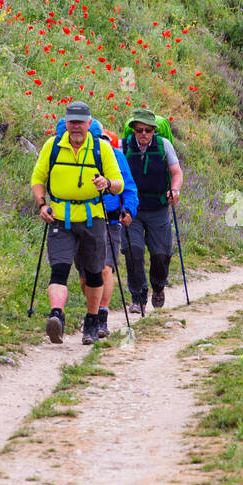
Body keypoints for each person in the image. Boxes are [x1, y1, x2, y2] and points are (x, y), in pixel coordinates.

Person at [30, 100, 125, 345]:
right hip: (60, 218)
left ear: (89, 123)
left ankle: (92, 322)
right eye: (71, 122)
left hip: (93, 219)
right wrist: (42, 204)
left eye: (80, 123)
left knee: (94, 274)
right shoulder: (52, 146)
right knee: (59, 270)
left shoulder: (101, 149)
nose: (75, 127)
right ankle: (56, 317)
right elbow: (38, 179)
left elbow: (119, 183)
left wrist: (107, 183)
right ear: (65, 122)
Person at [121, 107, 183, 313]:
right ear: (133, 131)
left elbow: (176, 172)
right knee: (133, 252)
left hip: (158, 208)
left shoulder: (164, 146)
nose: (144, 134)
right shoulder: (124, 147)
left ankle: (158, 287)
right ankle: (138, 298)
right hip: (132, 210)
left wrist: (174, 190)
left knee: (160, 255)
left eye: (148, 130)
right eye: (139, 130)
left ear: (154, 130)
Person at [92, 123, 137, 339]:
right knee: (87, 274)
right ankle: (92, 312)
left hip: (111, 220)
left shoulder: (116, 155)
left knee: (105, 268)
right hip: (85, 220)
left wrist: (128, 209)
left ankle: (102, 317)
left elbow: (128, 187)